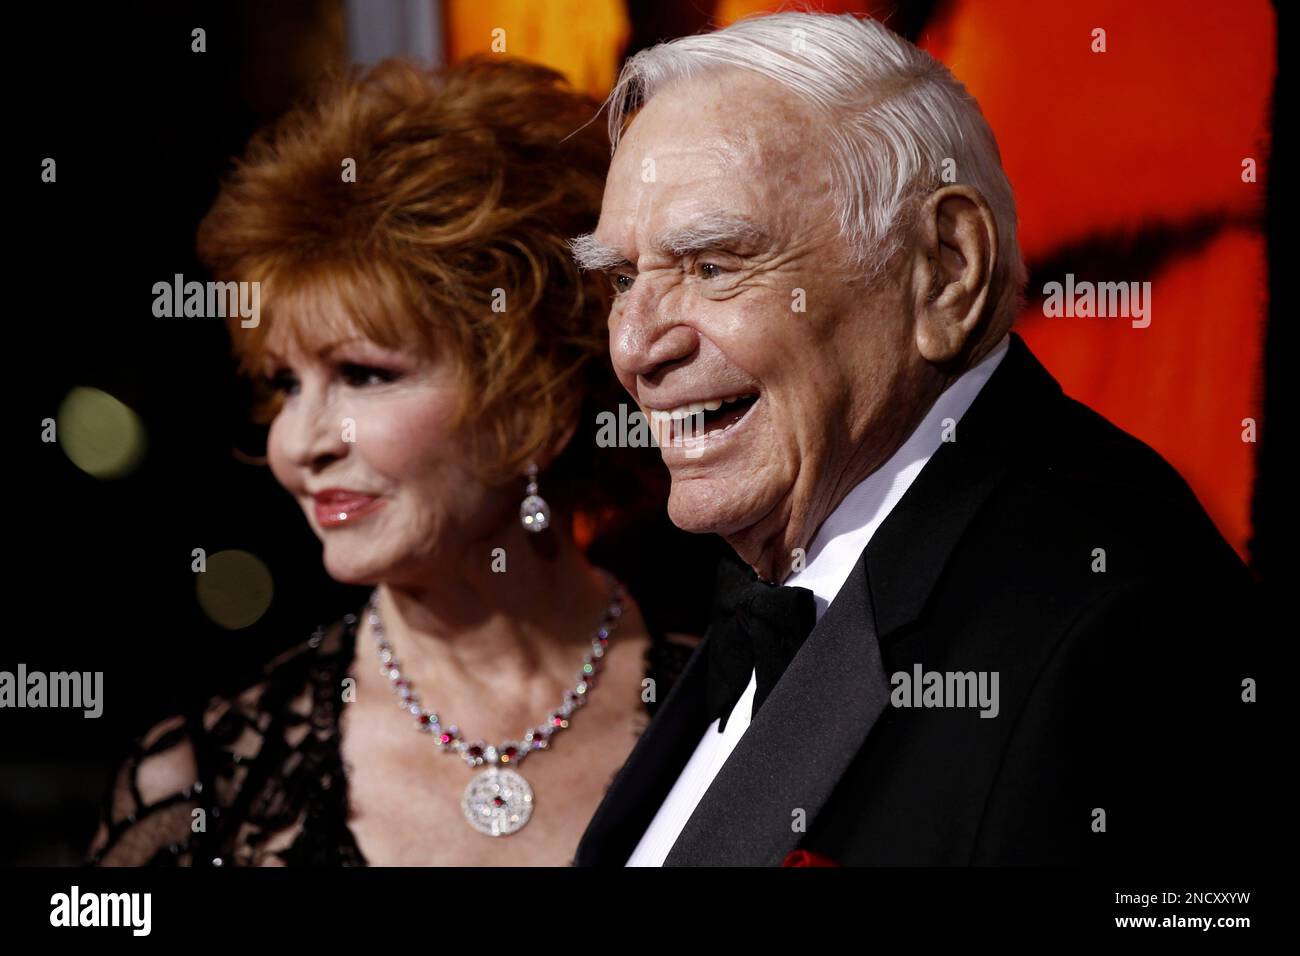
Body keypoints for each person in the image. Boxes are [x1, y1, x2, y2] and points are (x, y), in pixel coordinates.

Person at [569, 11, 1262, 866]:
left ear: (945, 269)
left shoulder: (1122, 629)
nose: (636, 348)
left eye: (712, 266)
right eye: (623, 280)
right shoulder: (736, 584)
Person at [87, 56, 695, 867]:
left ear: (533, 391)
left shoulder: (744, 710)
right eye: (284, 383)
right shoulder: (203, 783)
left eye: (363, 374)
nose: (300, 444)